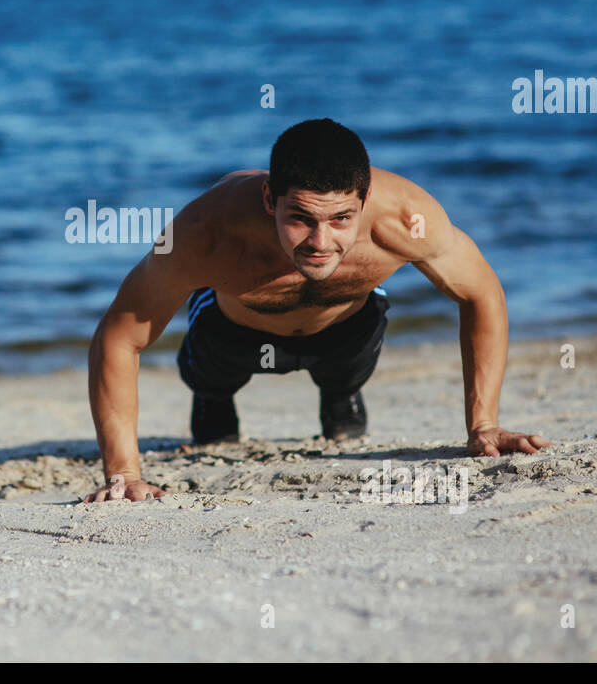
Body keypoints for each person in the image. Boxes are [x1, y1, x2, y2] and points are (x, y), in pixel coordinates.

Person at [83, 118, 549, 503]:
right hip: (233, 333)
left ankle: (339, 391)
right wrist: (122, 472)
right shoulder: (207, 233)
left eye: (341, 219)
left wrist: (483, 425)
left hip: (344, 328)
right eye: (301, 218)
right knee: (211, 384)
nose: (320, 243)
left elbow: (481, 293)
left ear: (363, 201)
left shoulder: (407, 219)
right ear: (270, 200)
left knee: (347, 371)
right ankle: (214, 399)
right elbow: (120, 336)